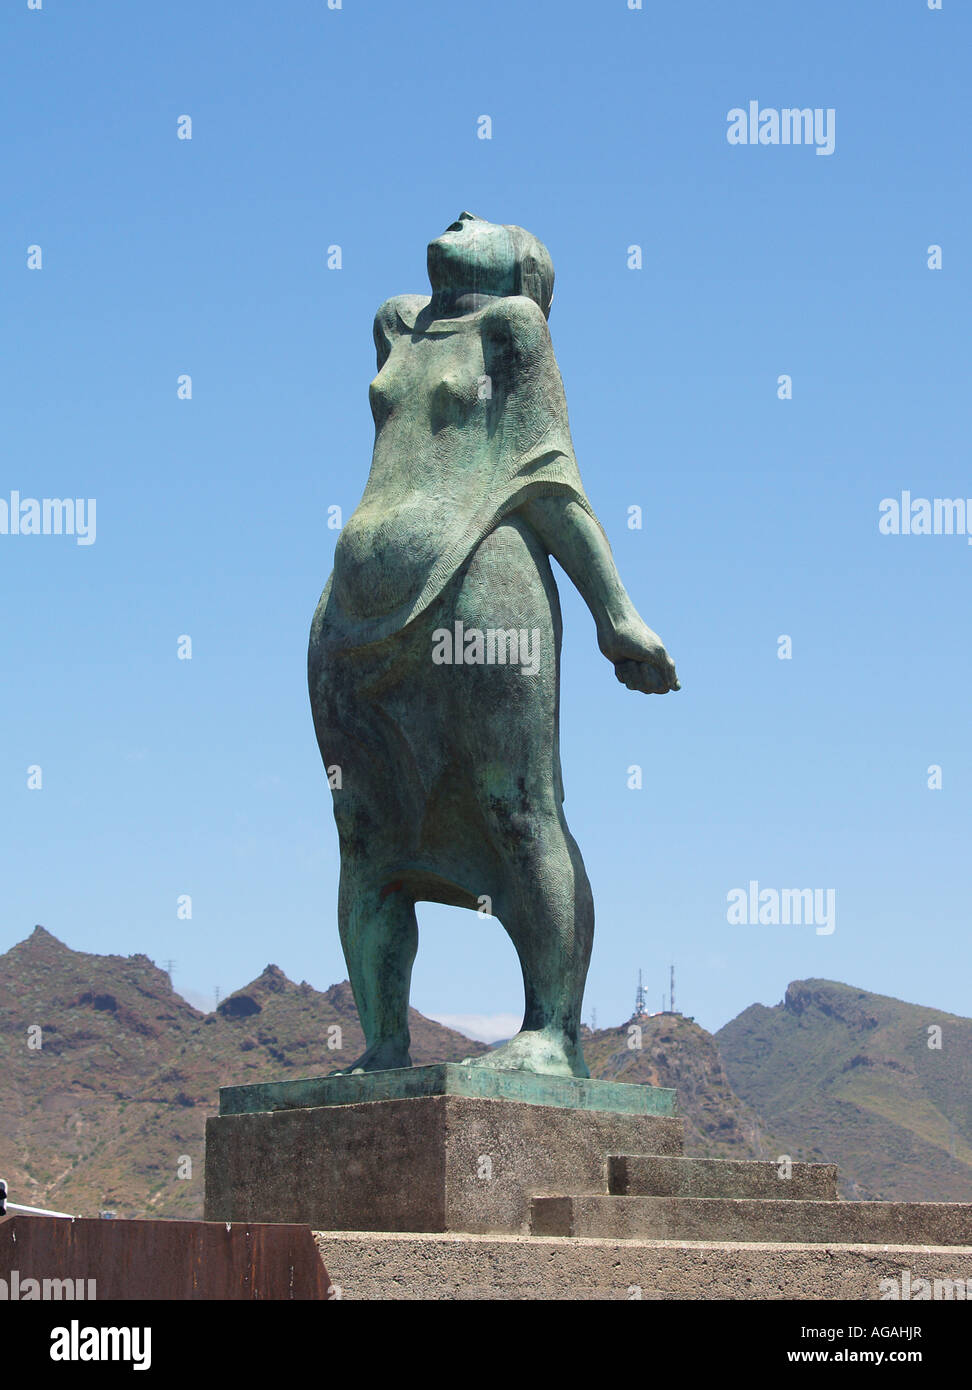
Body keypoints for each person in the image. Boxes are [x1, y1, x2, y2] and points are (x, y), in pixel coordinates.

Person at [308, 212, 679, 1077]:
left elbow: (550, 473)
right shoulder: (399, 324)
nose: (463, 215)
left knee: (517, 810)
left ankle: (552, 1032)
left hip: (481, 586)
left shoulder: (515, 327)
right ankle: (384, 1043)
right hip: (355, 621)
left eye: (491, 223)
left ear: (524, 268)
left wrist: (613, 612)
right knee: (364, 830)